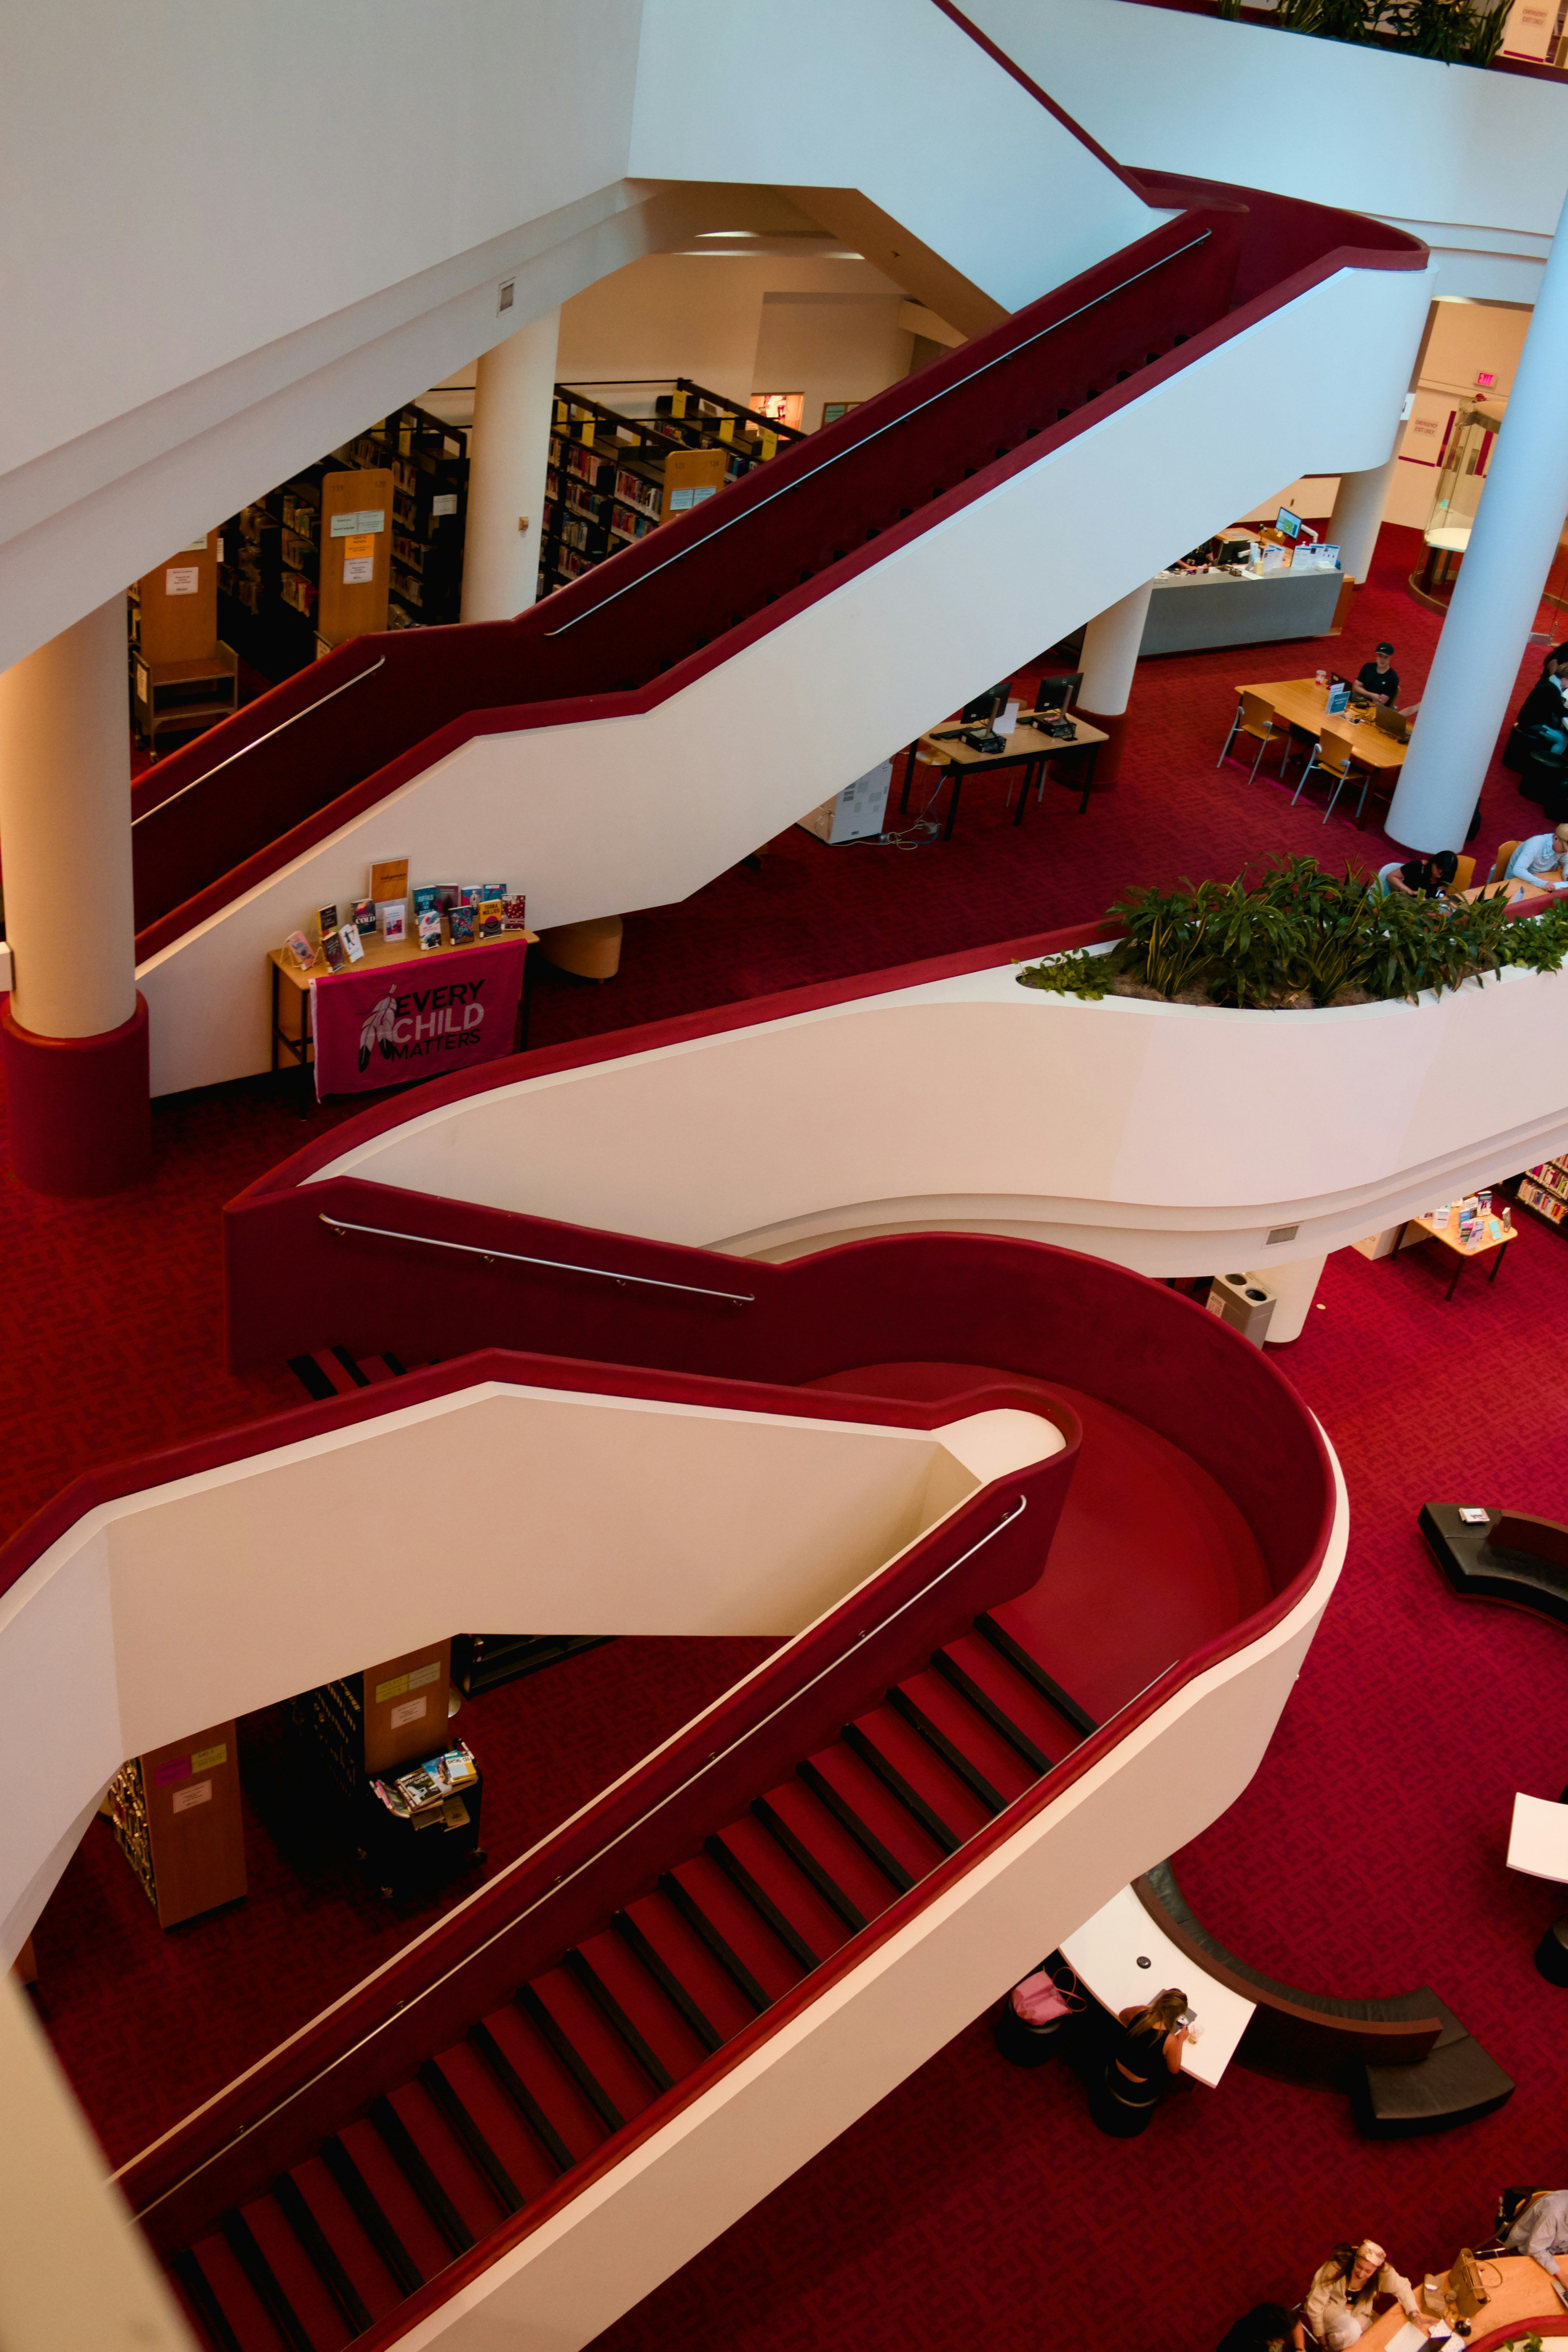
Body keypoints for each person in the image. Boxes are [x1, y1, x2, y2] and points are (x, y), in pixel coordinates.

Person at [1086, 1984, 1190, 2135]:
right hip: (1136, 2088)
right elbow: (1174, 2070)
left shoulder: (1141, 2012)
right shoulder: (1170, 2040)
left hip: (1115, 2071)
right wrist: (1180, 2040)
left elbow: (1123, 2017)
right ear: (1177, 2017)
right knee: (1165, 2072)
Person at [1297, 2242, 1425, 2349]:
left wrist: (1413, 2312)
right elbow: (1316, 2304)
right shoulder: (1336, 2267)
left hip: (1360, 2313)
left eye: (1368, 2271)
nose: (1361, 2274)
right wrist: (1322, 2340)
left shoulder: (1383, 2273)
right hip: (1328, 2308)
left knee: (1383, 2339)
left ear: (1376, 2270)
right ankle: (1335, 2347)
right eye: (1359, 2267)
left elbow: (1403, 2288)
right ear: (1355, 2258)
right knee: (1352, 2332)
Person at [1505, 2187, 1568, 2275]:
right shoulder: (1554, 2213)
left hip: (1557, 2251)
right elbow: (1537, 2250)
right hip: (1527, 2251)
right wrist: (1563, 2277)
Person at [1505, 823, 1568, 890]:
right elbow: (1518, 870)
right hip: (1515, 882)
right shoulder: (1535, 844)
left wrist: (1567, 873)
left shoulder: (1562, 850)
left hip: (1539, 880)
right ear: (1556, 838)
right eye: (1564, 846)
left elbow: (1567, 862)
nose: (1566, 851)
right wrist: (1542, 884)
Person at [1375, 851, 1458, 900]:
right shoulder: (1417, 867)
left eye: (1445, 872)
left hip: (1425, 909)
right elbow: (1391, 876)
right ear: (1434, 862)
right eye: (1439, 868)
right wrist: (1409, 891)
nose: (1440, 874)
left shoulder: (1446, 878)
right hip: (1405, 901)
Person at [1216, 2304, 1294, 2352]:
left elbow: (1296, 2323)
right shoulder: (1239, 2346)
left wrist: (1299, 2350)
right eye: (1275, 2340)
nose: (1283, 2342)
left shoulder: (1276, 2318)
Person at [1356, 643, 1400, 707]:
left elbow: (1380, 702)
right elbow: (1356, 687)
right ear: (1377, 656)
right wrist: (1372, 695)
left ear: (1391, 657)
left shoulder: (1393, 678)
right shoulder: (1367, 667)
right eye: (1380, 656)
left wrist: (1363, 692)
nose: (1382, 660)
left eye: (1386, 657)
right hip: (1360, 702)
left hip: (1375, 709)